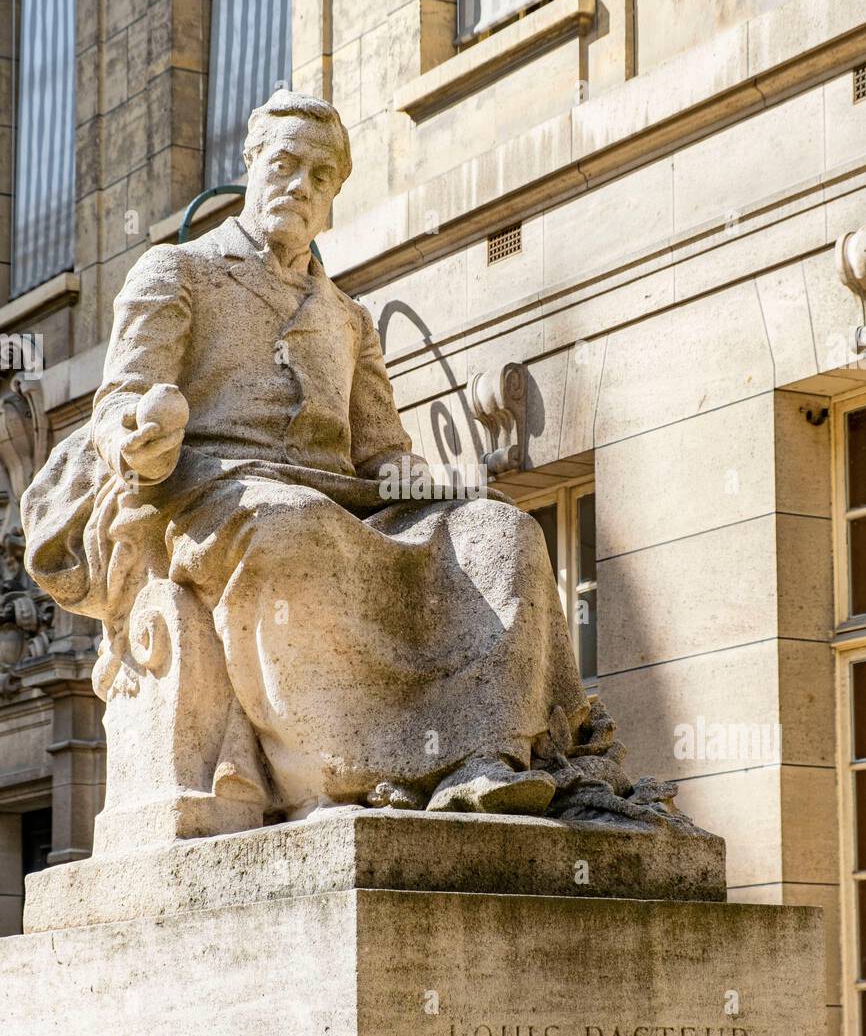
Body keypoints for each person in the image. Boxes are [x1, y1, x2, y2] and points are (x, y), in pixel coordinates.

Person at [23, 91, 610, 820]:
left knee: (501, 530)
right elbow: (119, 401)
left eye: (321, 176)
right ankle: (352, 776)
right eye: (287, 164)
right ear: (252, 167)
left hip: (347, 501)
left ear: (332, 198)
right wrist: (138, 437)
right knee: (292, 524)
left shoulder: (349, 319)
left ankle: (487, 757)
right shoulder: (177, 272)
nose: (301, 185)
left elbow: (384, 453)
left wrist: (444, 494)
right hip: (216, 489)